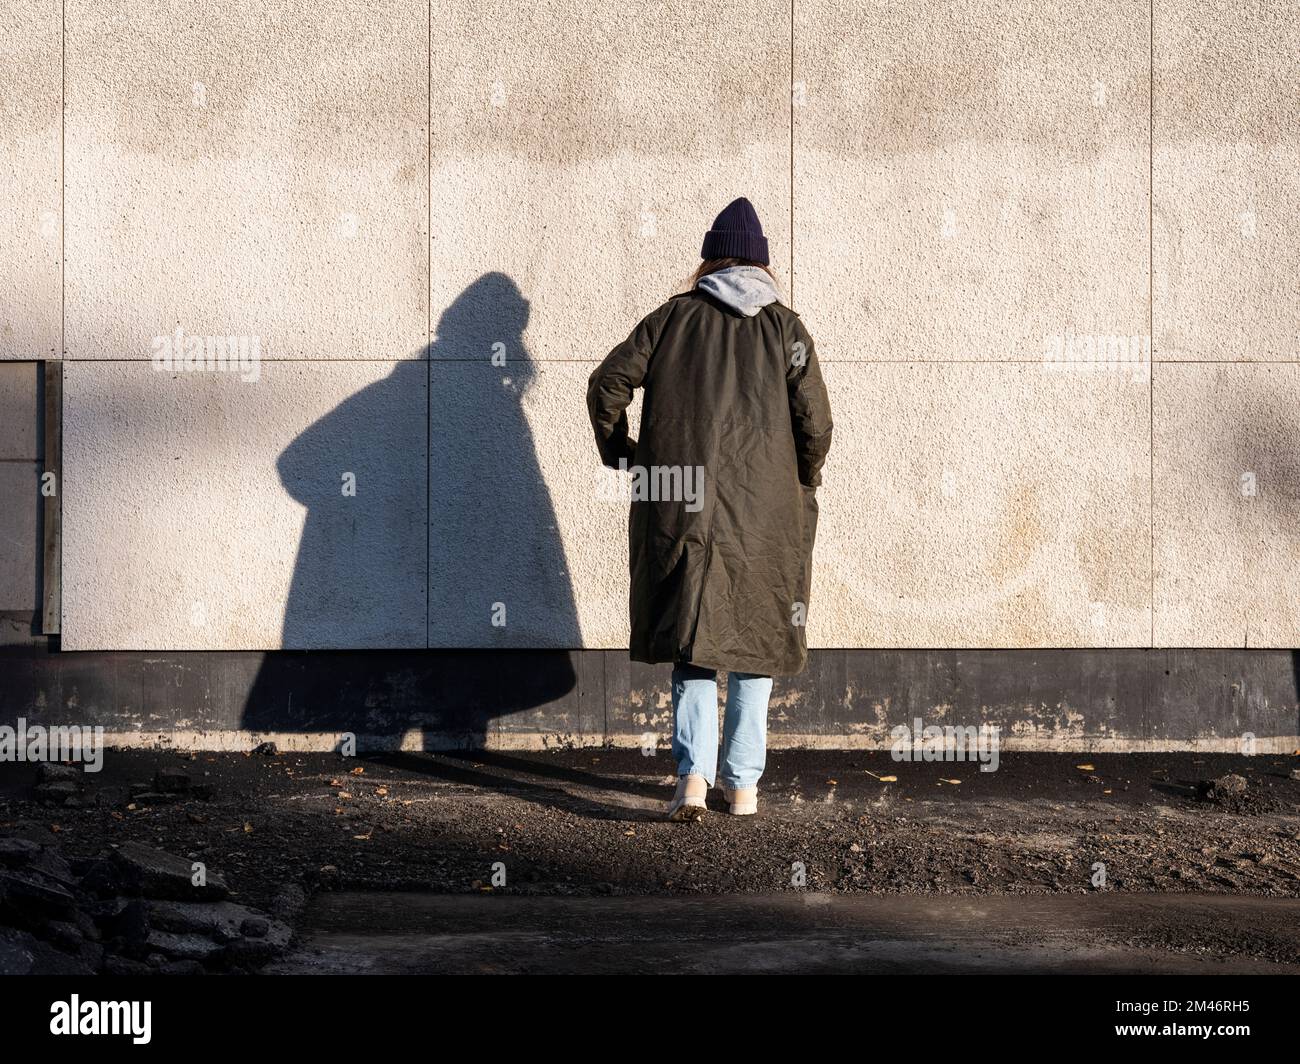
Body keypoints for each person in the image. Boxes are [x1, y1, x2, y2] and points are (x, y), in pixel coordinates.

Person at [587, 197, 833, 821]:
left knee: (691, 639)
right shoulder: (786, 329)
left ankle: (691, 781)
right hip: (765, 512)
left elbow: (606, 384)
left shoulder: (673, 319)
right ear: (762, 265)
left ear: (708, 260)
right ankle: (743, 787)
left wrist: (626, 456)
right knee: (755, 642)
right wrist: (802, 479)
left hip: (680, 503)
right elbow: (817, 422)